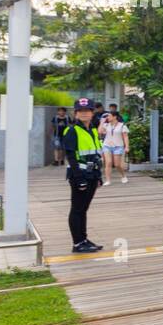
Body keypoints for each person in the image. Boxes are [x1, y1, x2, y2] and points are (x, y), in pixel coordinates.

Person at [62, 97, 104, 253]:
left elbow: (96, 155)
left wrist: (98, 176)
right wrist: (79, 179)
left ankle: (84, 239)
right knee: (77, 209)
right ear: (76, 113)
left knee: (83, 209)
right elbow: (71, 157)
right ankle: (78, 243)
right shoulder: (72, 130)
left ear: (92, 113)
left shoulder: (93, 130)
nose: (84, 114)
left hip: (92, 175)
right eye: (81, 111)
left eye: (87, 111)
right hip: (79, 175)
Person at [100, 111, 130, 186]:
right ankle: (108, 180)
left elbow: (125, 137)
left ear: (114, 117)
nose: (107, 117)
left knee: (117, 164)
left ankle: (123, 176)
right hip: (107, 145)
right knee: (108, 163)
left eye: (109, 116)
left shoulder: (122, 126)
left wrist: (127, 146)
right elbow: (100, 131)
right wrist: (101, 122)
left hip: (118, 146)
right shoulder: (106, 125)